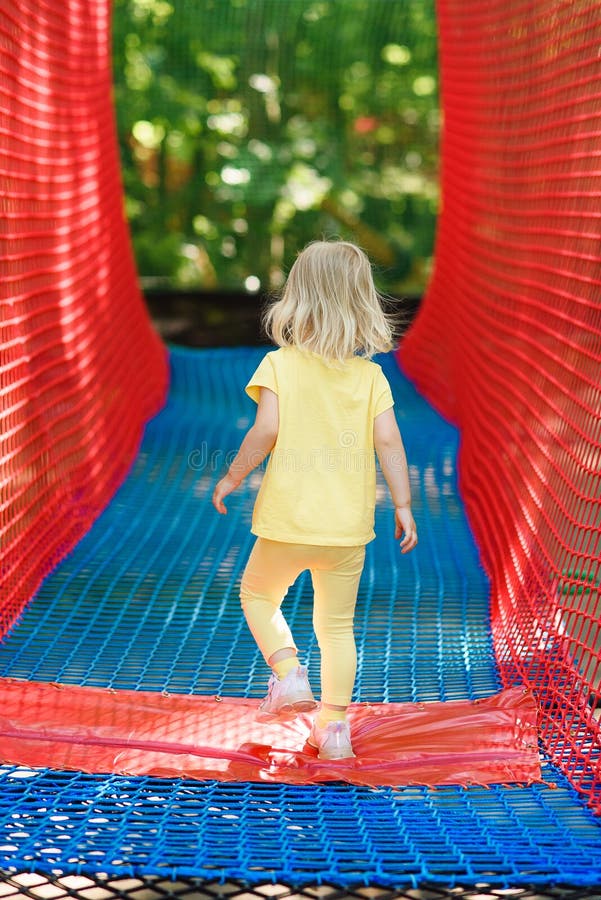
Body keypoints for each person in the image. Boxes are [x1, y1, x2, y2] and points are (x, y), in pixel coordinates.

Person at [212, 240, 417, 760]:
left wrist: (232, 476)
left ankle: (288, 674)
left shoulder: (279, 365)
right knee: (337, 628)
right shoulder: (370, 377)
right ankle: (334, 730)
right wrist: (403, 504)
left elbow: (265, 431)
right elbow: (389, 442)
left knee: (258, 594)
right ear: (361, 301)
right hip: (346, 531)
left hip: (287, 522)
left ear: (297, 298)